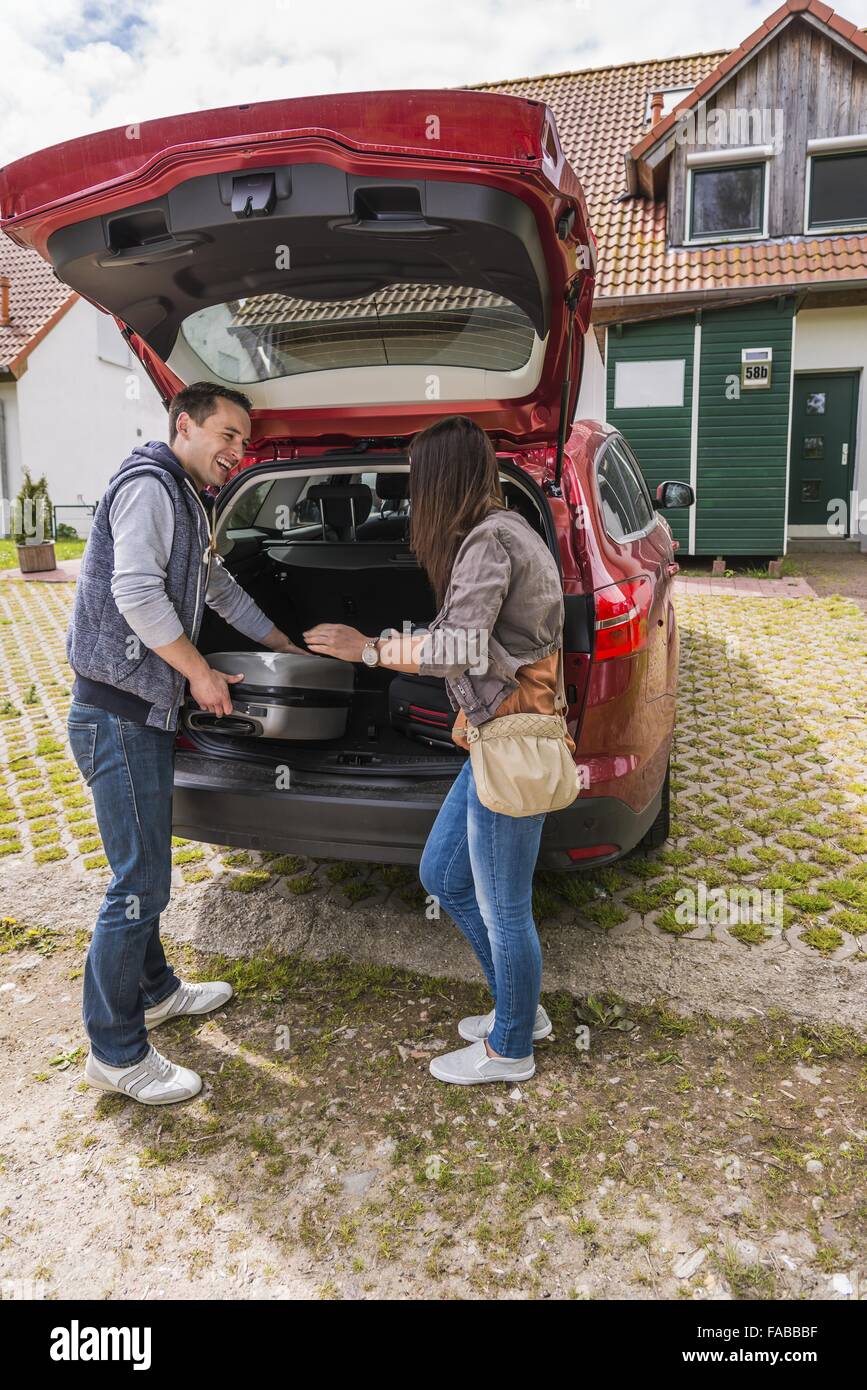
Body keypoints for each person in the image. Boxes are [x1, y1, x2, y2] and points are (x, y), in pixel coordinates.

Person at [304, 415, 574, 1086]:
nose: (413, 496)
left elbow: (457, 647)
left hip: (511, 743)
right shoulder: (506, 531)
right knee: (443, 876)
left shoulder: (489, 542)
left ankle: (510, 1047)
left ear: (441, 479)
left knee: (502, 904)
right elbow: (465, 633)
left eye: (419, 480)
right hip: (492, 740)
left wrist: (366, 648)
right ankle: (519, 1009)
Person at [66, 382, 304, 1105]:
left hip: (136, 712)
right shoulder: (149, 486)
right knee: (136, 884)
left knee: (143, 869)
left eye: (243, 439)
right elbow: (136, 594)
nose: (238, 450)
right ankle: (115, 1051)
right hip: (117, 714)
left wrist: (285, 645)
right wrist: (199, 672)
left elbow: (219, 589)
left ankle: (158, 992)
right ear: (185, 425)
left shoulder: (186, 497)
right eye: (227, 435)